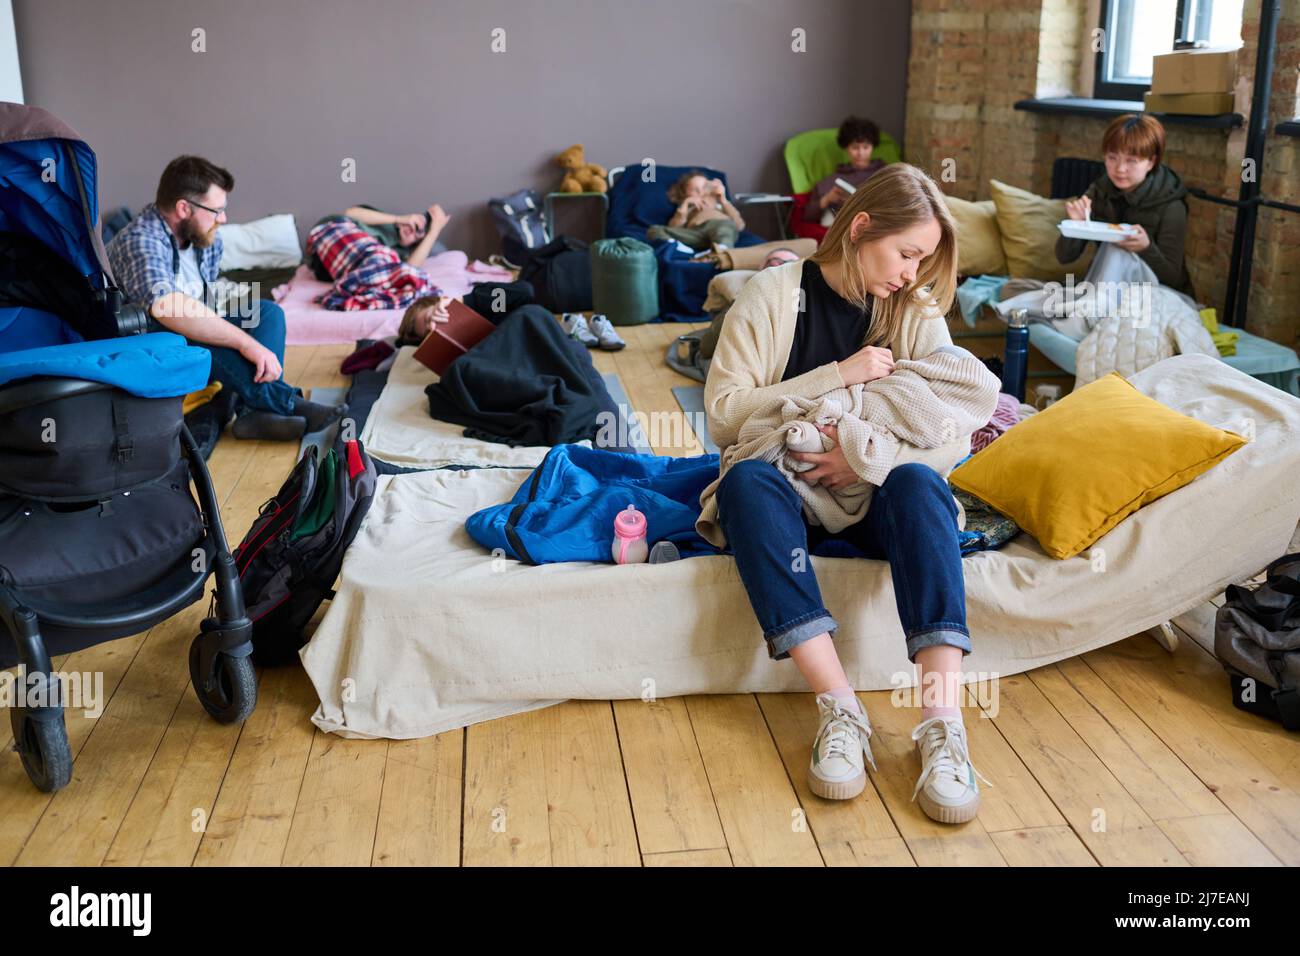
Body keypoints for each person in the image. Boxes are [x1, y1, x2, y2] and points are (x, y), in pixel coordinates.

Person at [704, 163, 994, 823]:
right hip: (788, 492)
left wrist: (865, 459)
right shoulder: (775, 293)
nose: (910, 273)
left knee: (922, 481)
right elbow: (724, 415)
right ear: (861, 227)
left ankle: (943, 726)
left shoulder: (910, 308)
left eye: (921, 260)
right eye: (906, 253)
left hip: (874, 497)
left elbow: (954, 422)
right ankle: (842, 710)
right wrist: (837, 374)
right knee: (744, 482)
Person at [107, 155, 346, 441]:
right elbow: (168, 307)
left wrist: (236, 334)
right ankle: (289, 402)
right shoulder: (141, 241)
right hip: (147, 346)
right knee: (208, 335)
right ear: (183, 208)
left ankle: (253, 414)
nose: (223, 219)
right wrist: (246, 344)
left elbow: (204, 304)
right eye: (216, 210)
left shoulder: (207, 240)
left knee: (267, 312)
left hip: (186, 336)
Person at [1056, 113, 1194, 297]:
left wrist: (1146, 248)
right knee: (1016, 292)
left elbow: (1172, 279)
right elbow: (1064, 257)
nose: (1120, 169)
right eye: (1112, 158)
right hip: (1105, 288)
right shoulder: (1100, 190)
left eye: (1132, 160)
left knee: (1116, 251)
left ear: (1151, 162)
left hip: (1155, 295)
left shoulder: (1171, 205)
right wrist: (1075, 225)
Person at [307, 203, 451, 280]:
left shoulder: (402, 255)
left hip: (341, 269)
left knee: (385, 270)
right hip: (332, 237)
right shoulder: (384, 221)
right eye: (414, 226)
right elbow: (350, 213)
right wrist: (399, 219)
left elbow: (409, 270)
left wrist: (434, 231)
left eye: (418, 234)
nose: (412, 231)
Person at [805, 116, 888, 225]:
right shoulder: (834, 179)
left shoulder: (886, 172)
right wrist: (827, 199)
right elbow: (807, 215)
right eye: (855, 147)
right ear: (846, 148)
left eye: (866, 147)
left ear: (873, 147)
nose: (860, 153)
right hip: (848, 224)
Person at [646, 171, 746, 250]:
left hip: (719, 230)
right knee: (655, 230)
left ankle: (721, 251)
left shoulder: (719, 204)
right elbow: (674, 227)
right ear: (685, 194)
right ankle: (676, 246)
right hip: (696, 235)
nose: (700, 192)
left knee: (724, 227)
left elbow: (739, 225)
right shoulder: (689, 207)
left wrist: (723, 200)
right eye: (695, 190)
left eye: (704, 187)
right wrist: (685, 205)